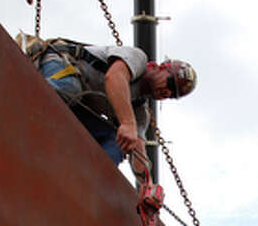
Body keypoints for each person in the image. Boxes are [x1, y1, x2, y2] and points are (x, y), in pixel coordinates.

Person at [29, 37, 196, 170]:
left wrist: (147, 186)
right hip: (60, 64)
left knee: (117, 142)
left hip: (73, 104)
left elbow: (137, 149)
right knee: (69, 88)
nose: (168, 92)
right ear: (158, 67)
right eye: (170, 83)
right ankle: (20, 95)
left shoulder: (138, 110)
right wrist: (127, 123)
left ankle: (88, 181)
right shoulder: (138, 58)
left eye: (173, 95)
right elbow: (114, 77)